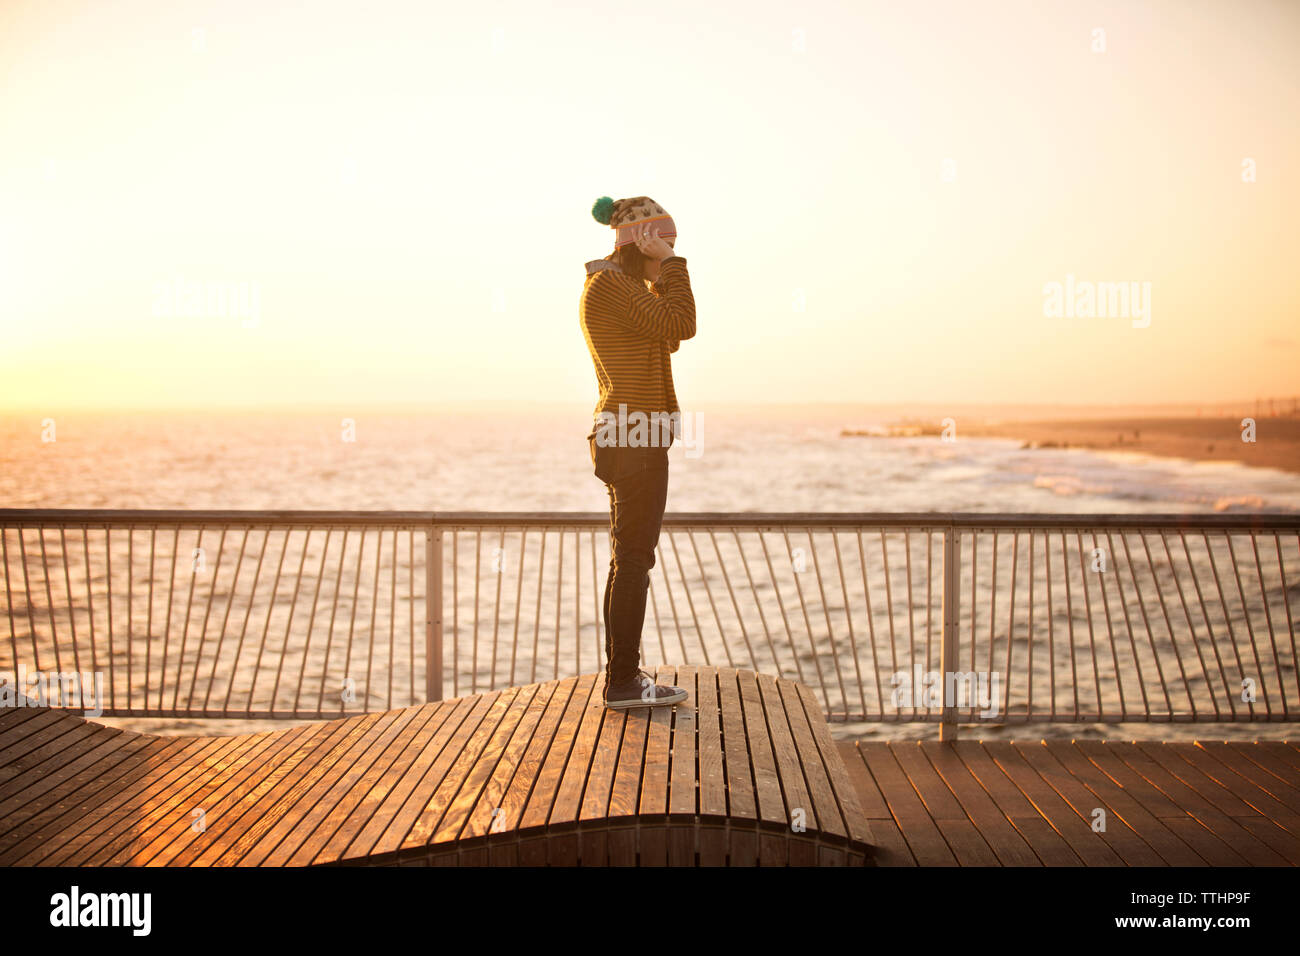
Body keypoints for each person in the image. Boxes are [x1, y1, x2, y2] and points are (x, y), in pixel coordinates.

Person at [580, 195, 696, 709]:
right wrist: (672, 266)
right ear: (643, 241)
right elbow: (683, 324)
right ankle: (623, 682)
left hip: (631, 434)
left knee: (628, 561)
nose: (671, 252)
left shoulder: (621, 289)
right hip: (633, 436)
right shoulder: (611, 287)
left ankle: (623, 675)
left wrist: (659, 269)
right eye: (664, 242)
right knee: (633, 562)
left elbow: (667, 332)